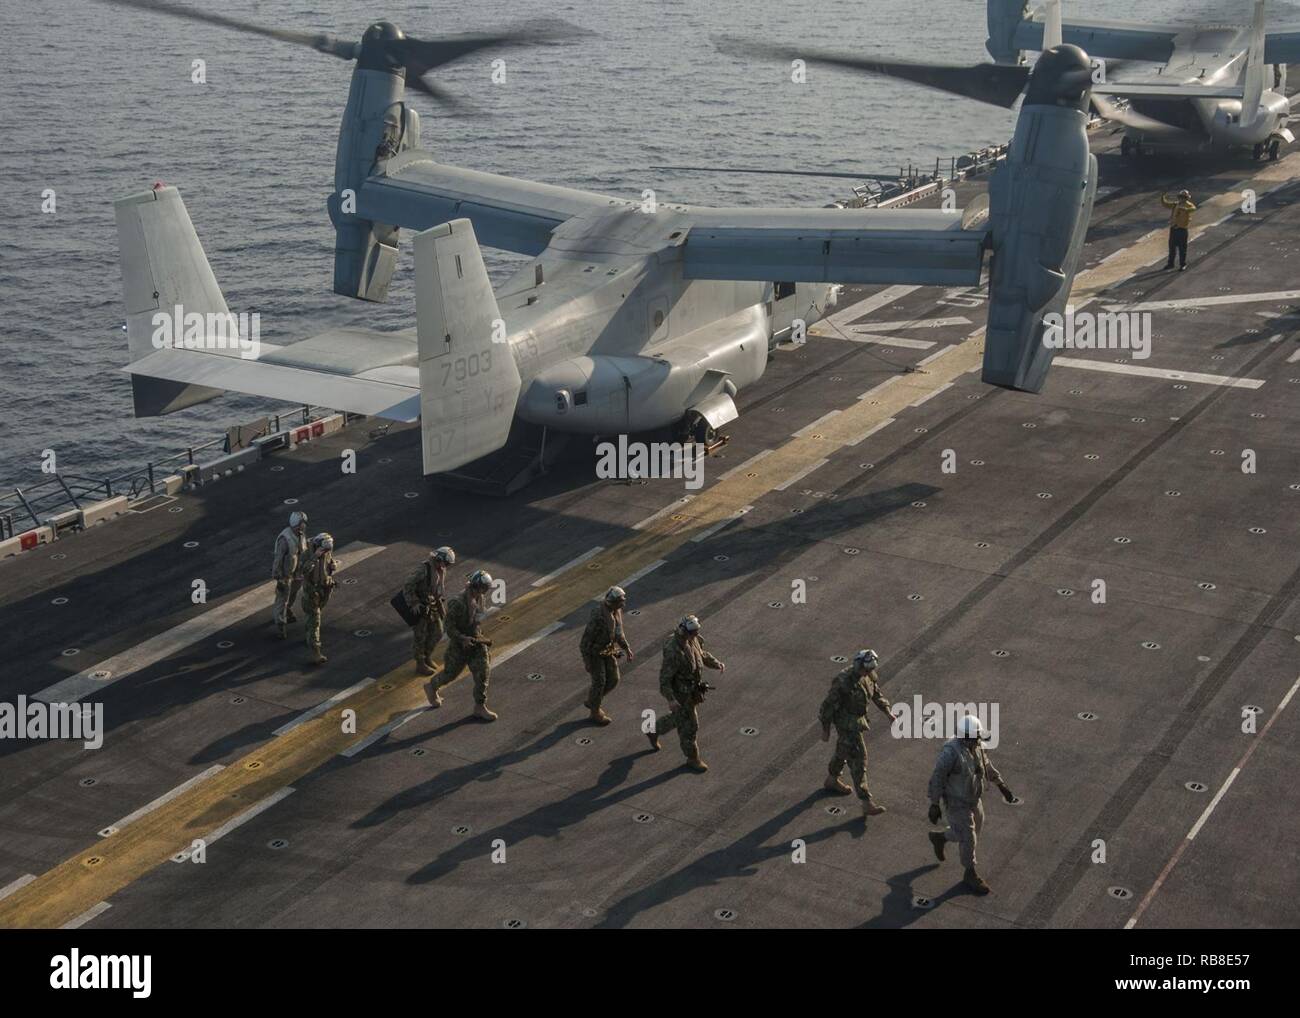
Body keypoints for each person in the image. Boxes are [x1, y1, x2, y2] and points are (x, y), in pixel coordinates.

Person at [926, 714, 1016, 895]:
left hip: (973, 798)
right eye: (976, 737)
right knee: (969, 837)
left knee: (972, 830)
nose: (979, 740)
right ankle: (970, 873)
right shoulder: (950, 753)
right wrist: (934, 803)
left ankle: (940, 838)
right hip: (956, 802)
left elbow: (986, 765)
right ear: (965, 737)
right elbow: (937, 777)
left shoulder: (976, 746)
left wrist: (1001, 785)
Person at [818, 649, 894, 817]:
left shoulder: (868, 675)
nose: (867, 672)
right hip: (846, 723)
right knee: (859, 759)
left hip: (857, 721)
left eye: (870, 670)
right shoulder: (843, 681)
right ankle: (866, 802)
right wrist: (825, 729)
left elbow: (876, 693)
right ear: (859, 665)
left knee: (843, 750)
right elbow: (827, 705)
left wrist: (888, 712)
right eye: (865, 669)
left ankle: (832, 779)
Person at [647, 614, 725, 773]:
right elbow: (664, 679)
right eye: (693, 632)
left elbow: (701, 655)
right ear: (684, 630)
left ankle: (654, 730)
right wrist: (671, 699)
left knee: (679, 718)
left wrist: (716, 663)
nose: (696, 634)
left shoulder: (692, 639)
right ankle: (692, 758)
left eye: (697, 631)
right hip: (681, 693)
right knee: (690, 726)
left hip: (692, 690)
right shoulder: (674, 650)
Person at [431, 569, 498, 721]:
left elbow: (477, 619)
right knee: (450, 674)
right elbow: (449, 627)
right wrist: (462, 638)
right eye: (484, 588)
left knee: (483, 673)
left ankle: (479, 706)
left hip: (476, 642)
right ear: (478, 587)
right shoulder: (458, 602)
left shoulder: (479, 598)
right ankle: (432, 686)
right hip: (459, 645)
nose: (485, 591)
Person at [579, 586, 633, 725]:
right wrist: (587, 661)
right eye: (621, 600)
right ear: (613, 602)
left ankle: (593, 701)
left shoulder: (616, 612)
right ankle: (595, 712)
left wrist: (626, 648)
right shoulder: (599, 616)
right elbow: (585, 641)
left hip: (608, 651)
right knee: (599, 682)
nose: (624, 602)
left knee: (614, 679)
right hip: (594, 654)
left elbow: (619, 633)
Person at [404, 546, 455, 676]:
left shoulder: (440, 571)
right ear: (439, 559)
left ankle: (427, 656)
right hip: (420, 607)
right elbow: (408, 584)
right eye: (446, 563)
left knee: (438, 632)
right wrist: (414, 602)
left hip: (432, 604)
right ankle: (420, 664)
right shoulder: (423, 569)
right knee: (420, 637)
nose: (447, 566)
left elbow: (437, 591)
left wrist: (442, 610)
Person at [300, 532, 337, 666]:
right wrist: (314, 558)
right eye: (324, 550)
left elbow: (330, 562)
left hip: (325, 589)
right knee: (315, 619)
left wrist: (333, 566)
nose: (326, 552)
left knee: (315, 616)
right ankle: (316, 652)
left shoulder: (327, 551)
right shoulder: (307, 554)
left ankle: (309, 634)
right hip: (312, 592)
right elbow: (303, 571)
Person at [271, 511, 309, 639]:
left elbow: (303, 550)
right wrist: (278, 576)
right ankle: (280, 625)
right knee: (282, 599)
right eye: (302, 524)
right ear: (296, 524)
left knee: (293, 594)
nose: (303, 526)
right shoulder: (285, 539)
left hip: (297, 572)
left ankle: (287, 610)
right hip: (285, 575)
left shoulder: (301, 534)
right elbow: (278, 559)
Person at [1161, 189, 1196, 270]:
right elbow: (1166, 204)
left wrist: (1185, 209)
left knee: (1182, 249)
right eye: (1180, 197)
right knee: (1172, 248)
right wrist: (1163, 197)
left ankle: (1182, 264)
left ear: (1186, 198)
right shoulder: (1176, 204)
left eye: (1183, 197)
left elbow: (1193, 208)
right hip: (1174, 229)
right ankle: (1170, 264)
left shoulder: (1188, 205)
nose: (1182, 198)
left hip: (1182, 230)